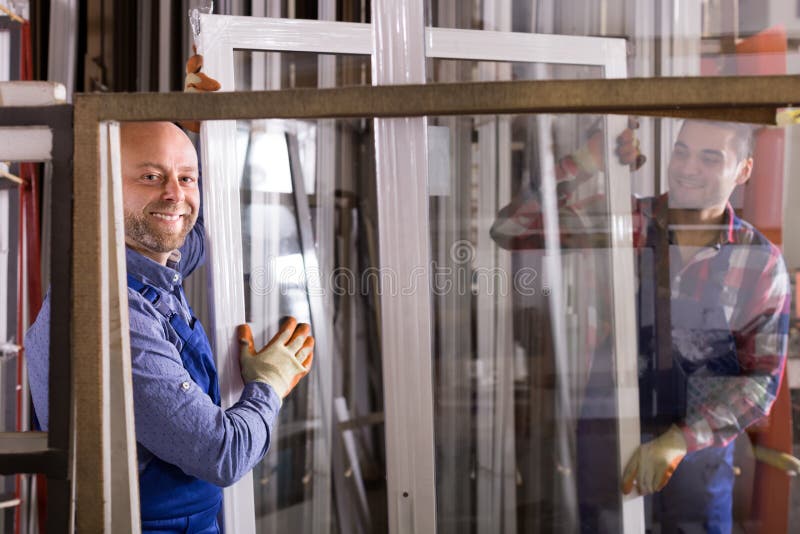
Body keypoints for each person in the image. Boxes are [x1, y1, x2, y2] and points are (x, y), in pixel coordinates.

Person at [490, 119, 790, 533]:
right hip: (611, 431)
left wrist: (679, 440)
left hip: (698, 454)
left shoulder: (760, 262)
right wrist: (584, 161)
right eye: (682, 151)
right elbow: (510, 228)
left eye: (710, 158)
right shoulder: (625, 223)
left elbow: (761, 382)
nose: (687, 167)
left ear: (744, 170)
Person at [25, 120, 314, 533]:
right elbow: (222, 452)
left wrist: (203, 131)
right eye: (150, 176)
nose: (174, 194)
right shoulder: (113, 316)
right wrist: (269, 384)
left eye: (186, 178)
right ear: (101, 188)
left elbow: (189, 222)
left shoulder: (146, 266)